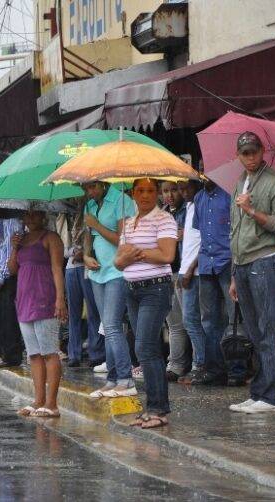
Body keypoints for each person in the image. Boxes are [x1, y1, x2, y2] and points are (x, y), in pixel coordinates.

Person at [228, 131, 275, 414]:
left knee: (269, 329)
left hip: (265, 260)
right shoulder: (239, 183)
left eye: (254, 151)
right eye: (245, 153)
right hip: (242, 263)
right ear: (238, 155)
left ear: (262, 151)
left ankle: (273, 397)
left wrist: (253, 210)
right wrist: (234, 273)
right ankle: (259, 393)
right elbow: (234, 229)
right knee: (255, 333)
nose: (250, 157)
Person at [115, 178, 177, 429]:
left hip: (156, 288)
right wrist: (127, 256)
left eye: (151, 190)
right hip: (132, 289)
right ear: (132, 193)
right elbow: (118, 262)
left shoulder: (164, 219)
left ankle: (158, 410)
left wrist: (135, 253)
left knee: (145, 347)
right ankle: (151, 407)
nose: (145, 195)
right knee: (143, 349)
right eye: (140, 190)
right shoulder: (129, 223)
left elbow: (167, 254)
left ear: (157, 193)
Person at [10, 208, 67, 418]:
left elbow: (57, 269)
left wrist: (60, 298)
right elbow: (12, 269)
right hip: (24, 301)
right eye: (27, 214)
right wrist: (14, 248)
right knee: (33, 354)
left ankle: (52, 404)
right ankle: (38, 400)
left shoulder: (51, 238)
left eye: (35, 214)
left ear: (43, 216)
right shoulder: (21, 240)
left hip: (45, 299)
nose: (30, 218)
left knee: (49, 352)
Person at [83, 181, 137, 398]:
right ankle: (113, 379)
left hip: (117, 271)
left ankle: (126, 379)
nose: (89, 192)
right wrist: (86, 256)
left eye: (92, 187)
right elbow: (88, 237)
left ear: (102, 183)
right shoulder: (89, 205)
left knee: (113, 325)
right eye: (86, 188)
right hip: (98, 272)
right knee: (106, 326)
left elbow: (122, 241)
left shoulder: (121, 199)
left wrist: (96, 224)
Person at [191, 175, 244, 386]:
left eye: (208, 169)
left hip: (228, 261)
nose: (205, 174)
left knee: (234, 318)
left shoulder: (230, 195)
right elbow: (200, 233)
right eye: (201, 170)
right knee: (209, 320)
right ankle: (214, 370)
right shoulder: (198, 198)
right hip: (206, 263)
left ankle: (237, 370)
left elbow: (239, 229)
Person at [64, 199, 103, 368]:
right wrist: (74, 251)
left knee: (93, 311)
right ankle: (74, 353)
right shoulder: (66, 216)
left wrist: (85, 253)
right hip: (72, 266)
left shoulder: (93, 212)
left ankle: (96, 353)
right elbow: (63, 246)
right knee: (74, 313)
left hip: (89, 267)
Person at [176, 180, 207, 384]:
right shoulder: (188, 207)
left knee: (192, 320)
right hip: (185, 269)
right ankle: (200, 363)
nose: (183, 192)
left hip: (195, 272)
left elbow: (205, 241)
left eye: (187, 187)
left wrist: (189, 270)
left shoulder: (200, 205)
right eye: (180, 188)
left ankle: (200, 364)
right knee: (190, 321)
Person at [0, 217, 25, 369]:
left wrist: (2, 276)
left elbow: (10, 250)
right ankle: (0, 353)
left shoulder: (12, 221)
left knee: (7, 316)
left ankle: (11, 355)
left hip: (6, 272)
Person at [160, 181, 188, 382]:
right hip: (166, 272)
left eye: (174, 190)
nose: (170, 195)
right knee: (174, 323)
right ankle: (175, 365)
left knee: (191, 321)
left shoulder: (188, 210)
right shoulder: (161, 214)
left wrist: (184, 234)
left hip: (185, 272)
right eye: (165, 191)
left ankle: (197, 364)